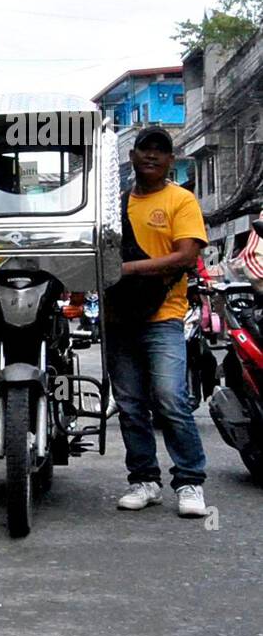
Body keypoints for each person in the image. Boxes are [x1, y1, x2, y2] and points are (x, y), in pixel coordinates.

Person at [109, 125, 211, 517]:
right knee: (131, 405)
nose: (151, 155)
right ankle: (144, 481)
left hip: (164, 314)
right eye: (144, 149)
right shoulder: (116, 204)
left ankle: (189, 482)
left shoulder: (181, 200)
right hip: (119, 317)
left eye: (160, 150)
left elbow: (186, 256)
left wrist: (128, 268)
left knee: (170, 398)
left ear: (170, 160)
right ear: (132, 156)